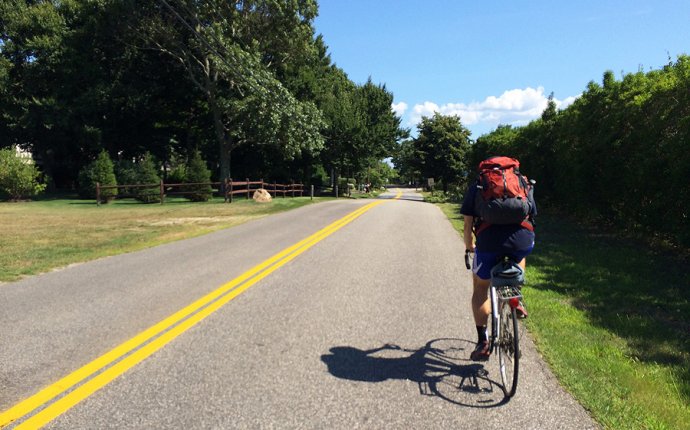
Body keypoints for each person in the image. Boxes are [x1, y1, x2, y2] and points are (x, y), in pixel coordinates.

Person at [460, 158, 537, 361]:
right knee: (520, 253)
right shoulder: (523, 182)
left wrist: (469, 246)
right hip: (522, 239)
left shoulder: (478, 185)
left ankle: (483, 342)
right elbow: (532, 215)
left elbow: (468, 225)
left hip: (488, 241)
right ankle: (515, 293)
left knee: (480, 288)